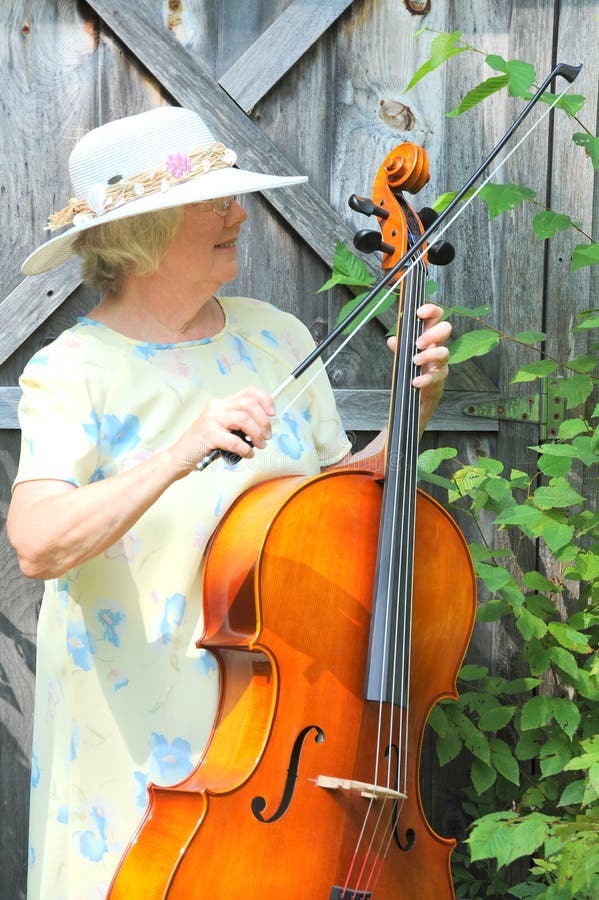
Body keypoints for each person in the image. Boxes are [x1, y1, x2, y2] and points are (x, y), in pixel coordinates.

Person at [7, 106, 451, 899]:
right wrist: (179, 452)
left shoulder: (272, 336)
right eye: (214, 202)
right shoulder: (73, 370)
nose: (238, 214)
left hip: (266, 729)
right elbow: (39, 544)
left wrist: (408, 410)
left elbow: (333, 503)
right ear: (141, 234)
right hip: (131, 732)